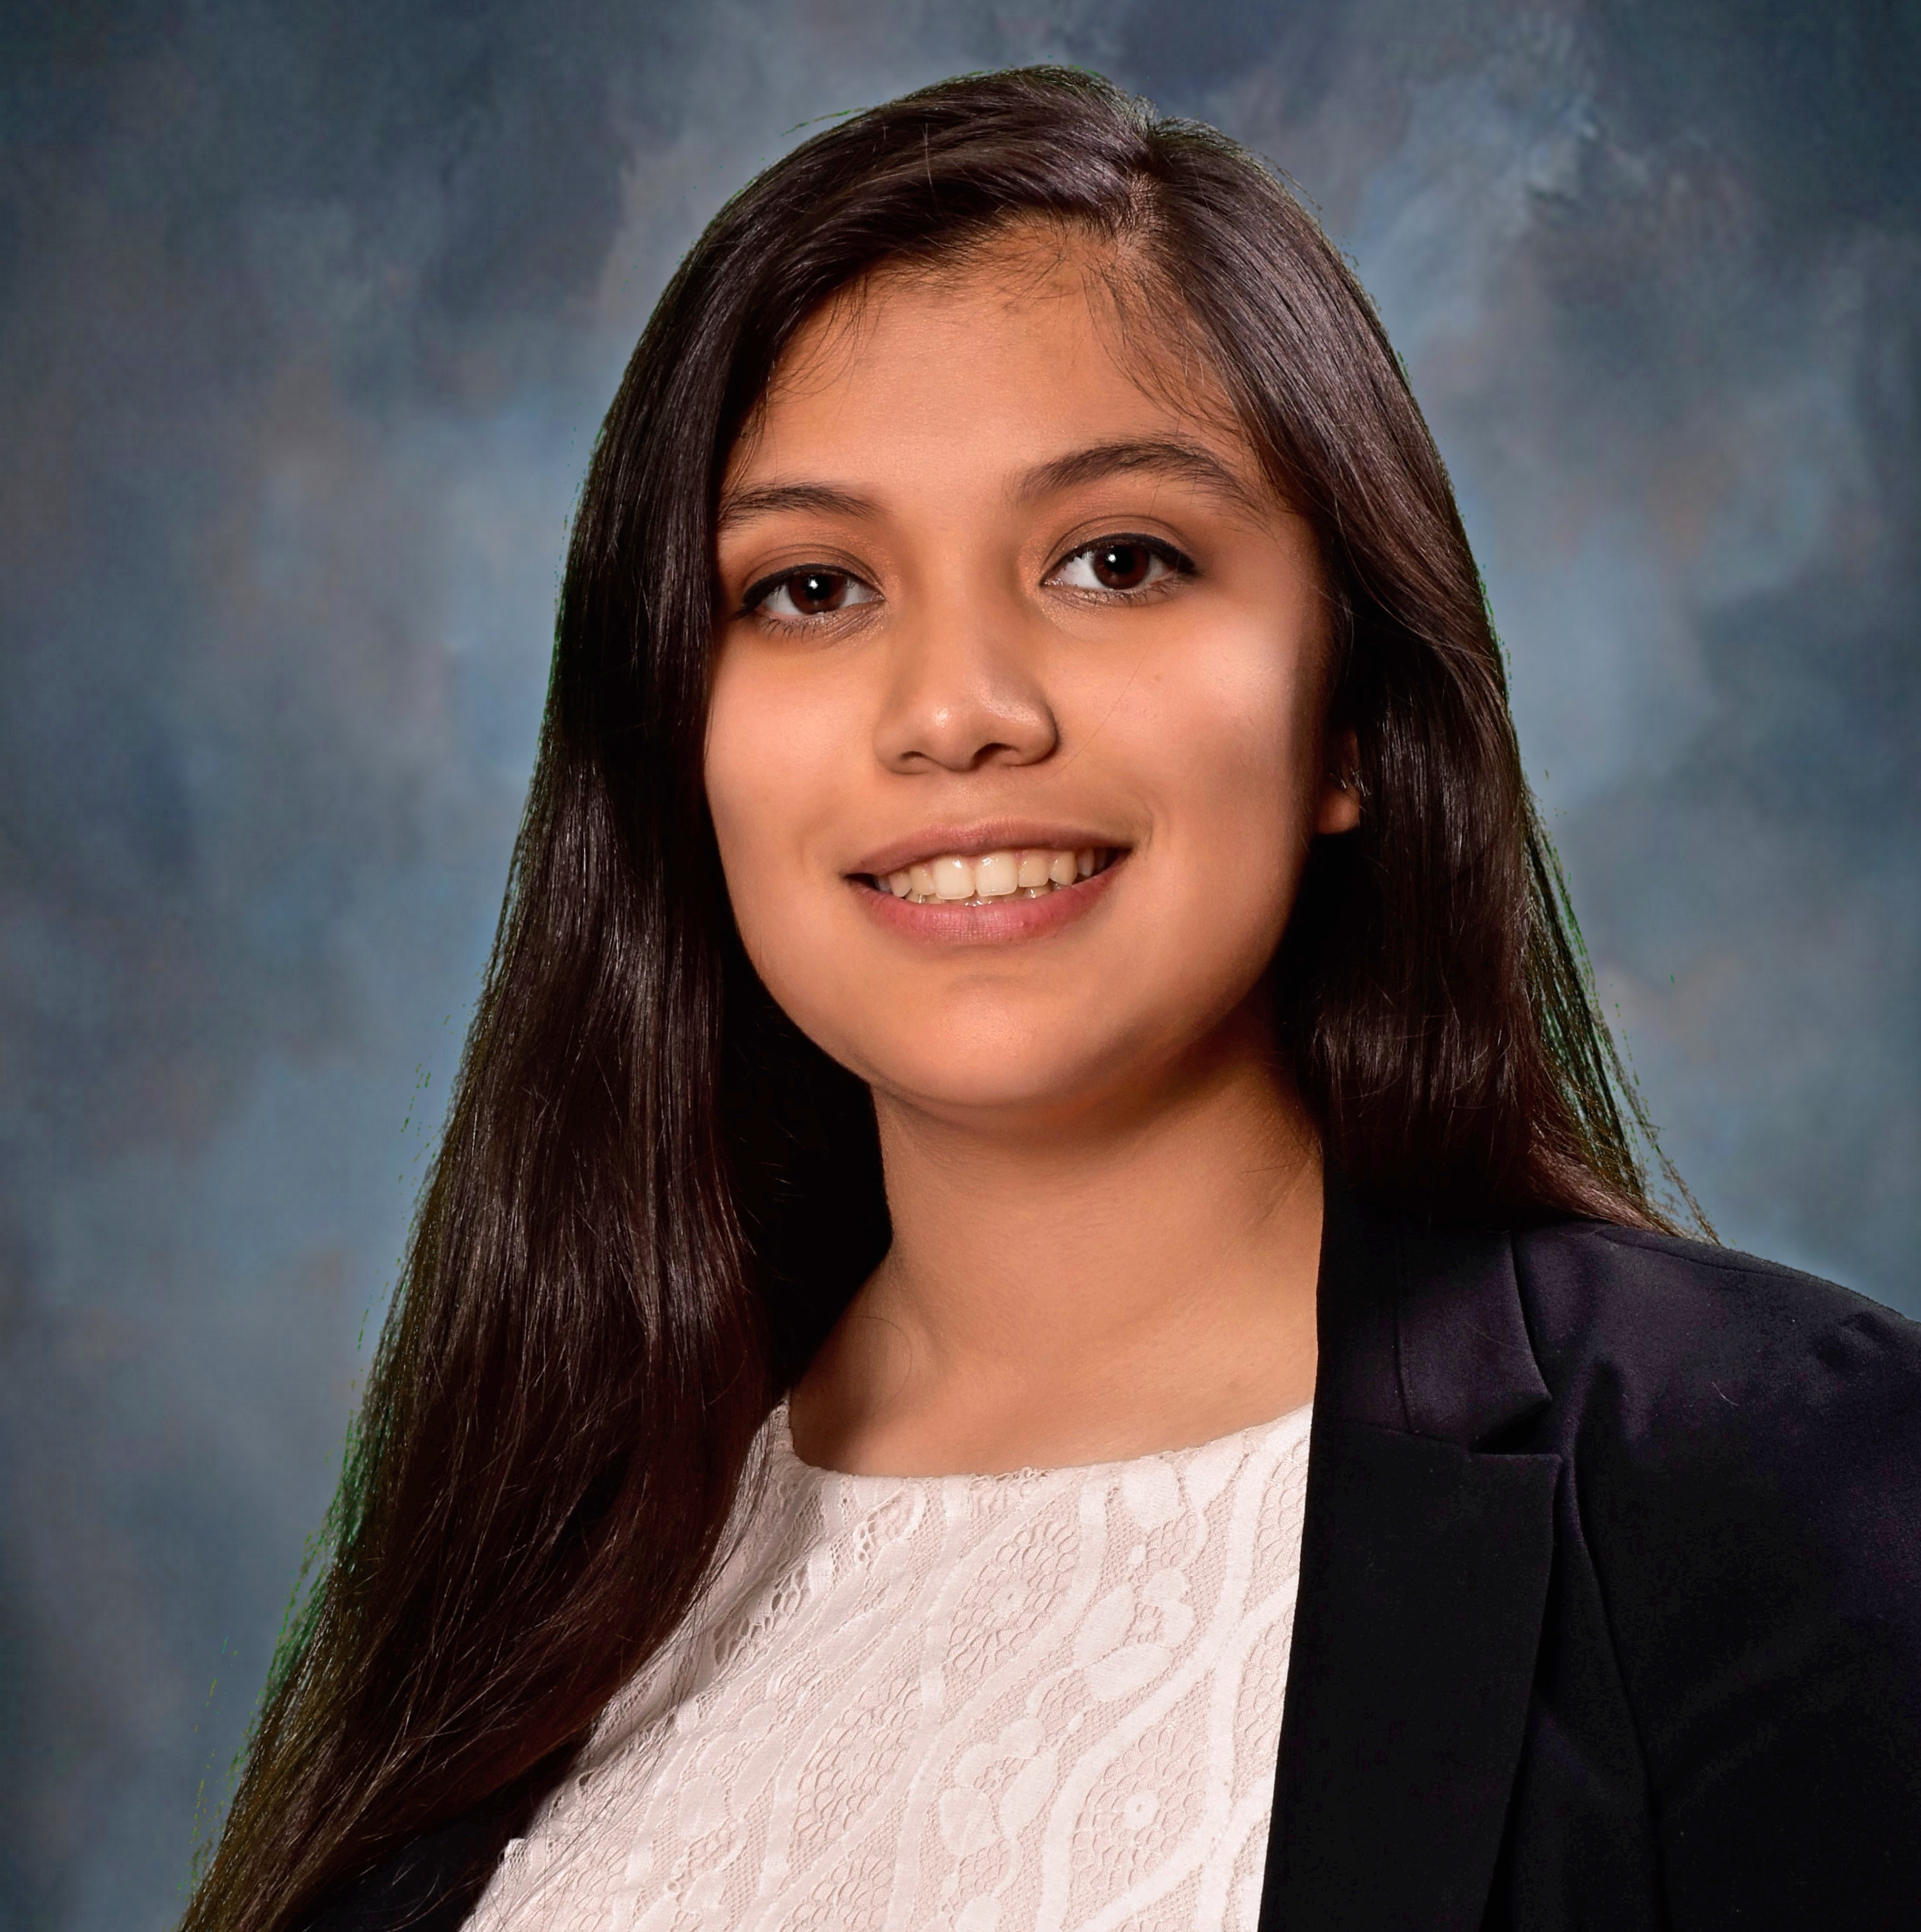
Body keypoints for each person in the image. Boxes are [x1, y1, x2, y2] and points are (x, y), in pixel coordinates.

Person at [181, 67, 1921, 1932]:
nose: (958, 711)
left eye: (1117, 562)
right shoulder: (539, 1553)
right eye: (812, 588)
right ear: (676, 740)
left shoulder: (1771, 1490)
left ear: (1348, 710)